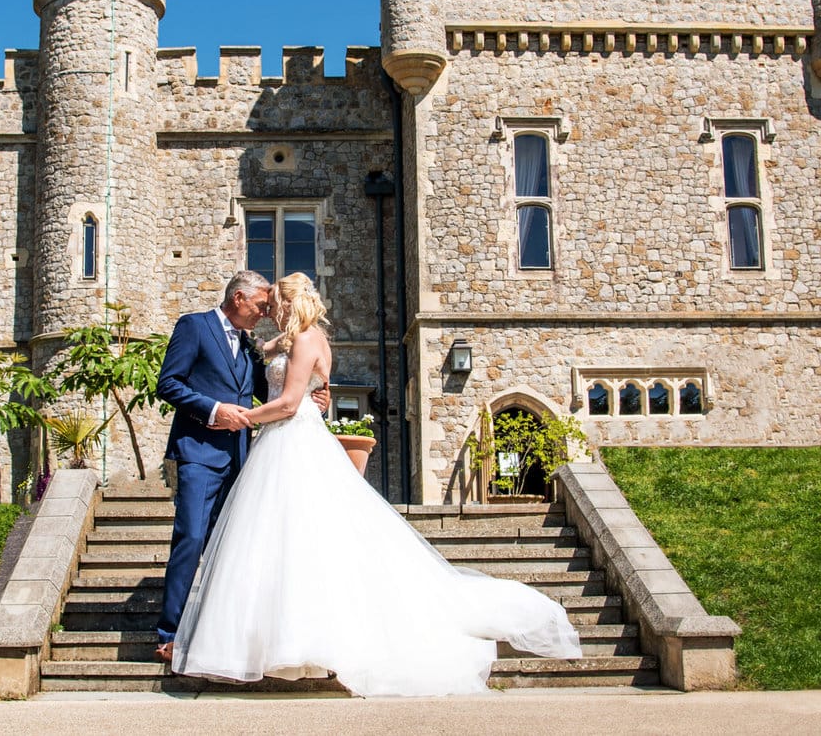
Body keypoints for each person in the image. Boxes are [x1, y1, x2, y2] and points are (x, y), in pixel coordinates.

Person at [170, 272, 582, 696]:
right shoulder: (287, 341)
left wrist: (240, 417)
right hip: (276, 445)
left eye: (273, 304)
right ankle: (265, 640)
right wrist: (276, 363)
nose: (267, 311)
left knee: (298, 540)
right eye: (262, 304)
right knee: (278, 542)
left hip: (290, 440)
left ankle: (302, 642)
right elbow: (274, 375)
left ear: (290, 304)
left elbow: (291, 403)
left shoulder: (309, 340)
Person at [152, 271, 329, 663]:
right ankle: (170, 632)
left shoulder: (250, 345)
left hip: (244, 458)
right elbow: (169, 383)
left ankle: (215, 631)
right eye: (261, 306)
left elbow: (275, 392)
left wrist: (312, 397)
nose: (265, 314)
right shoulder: (194, 326)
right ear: (238, 299)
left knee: (232, 547)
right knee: (192, 537)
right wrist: (214, 409)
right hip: (198, 451)